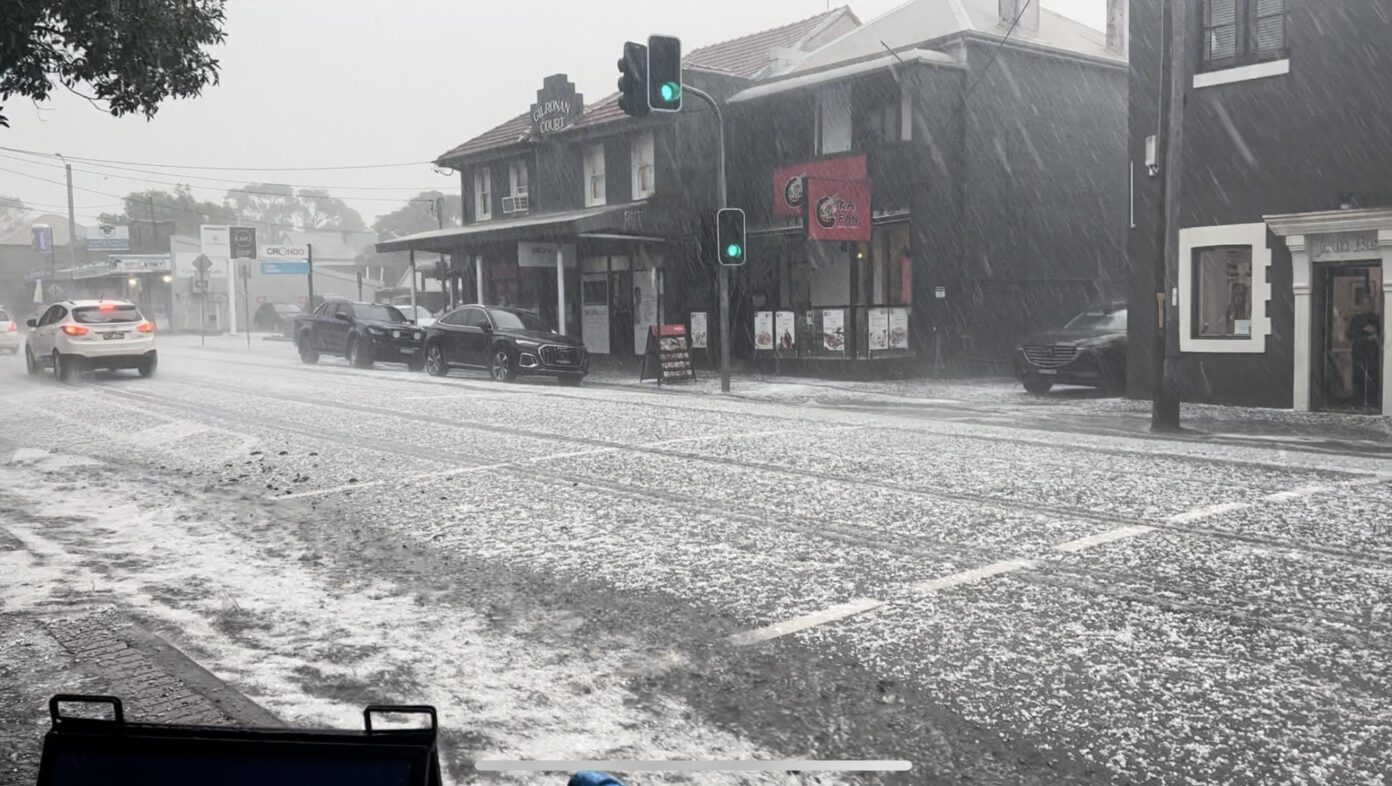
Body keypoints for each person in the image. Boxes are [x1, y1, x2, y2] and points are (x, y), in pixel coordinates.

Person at [1347, 292, 1381, 408]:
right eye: (1366, 304)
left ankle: (1372, 402)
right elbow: (1351, 336)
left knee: (1373, 377)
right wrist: (1367, 337)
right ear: (1361, 305)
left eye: (1370, 304)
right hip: (1359, 352)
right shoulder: (1356, 319)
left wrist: (1375, 336)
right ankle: (1358, 402)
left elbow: (1380, 334)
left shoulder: (1376, 318)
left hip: (1373, 353)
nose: (1369, 306)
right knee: (1359, 377)